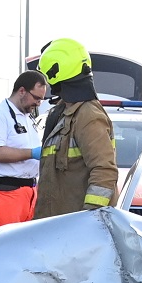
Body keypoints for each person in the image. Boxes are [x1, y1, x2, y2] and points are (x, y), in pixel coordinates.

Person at [31, 38, 117, 218]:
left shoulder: (88, 115)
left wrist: (90, 220)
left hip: (75, 231)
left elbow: (104, 172)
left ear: (56, 75)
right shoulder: (65, 112)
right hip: (57, 225)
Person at [0, 71, 46, 228]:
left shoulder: (27, 117)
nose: (38, 103)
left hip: (29, 192)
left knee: (25, 245)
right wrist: (32, 153)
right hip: (6, 192)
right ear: (22, 91)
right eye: (36, 98)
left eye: (41, 100)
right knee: (4, 246)